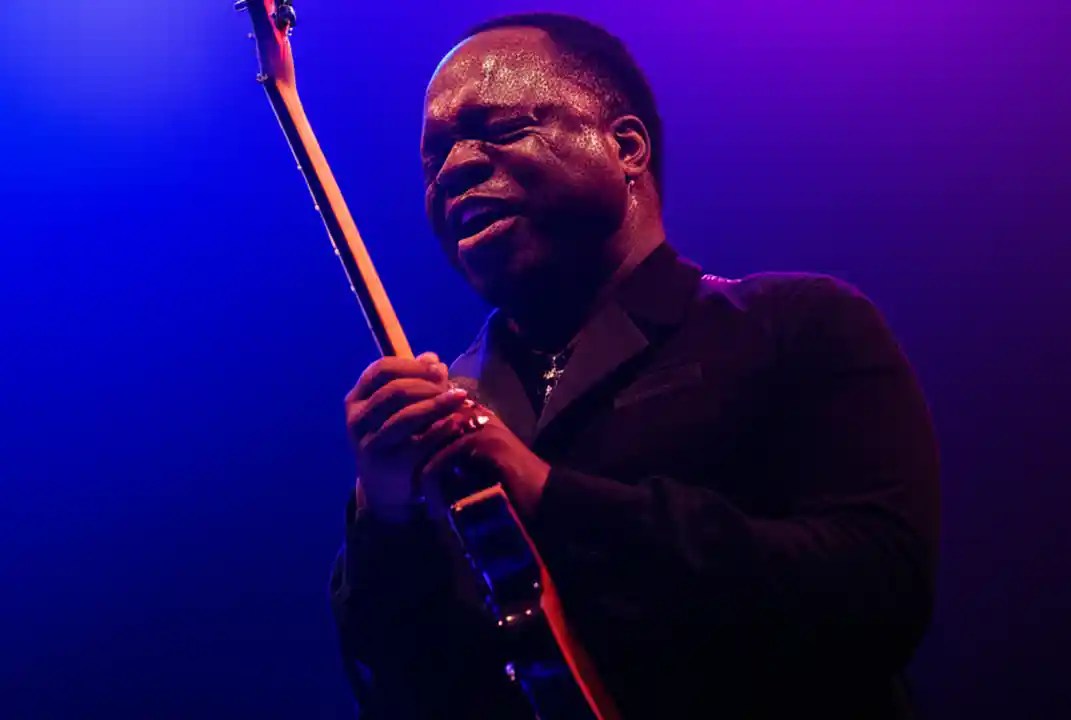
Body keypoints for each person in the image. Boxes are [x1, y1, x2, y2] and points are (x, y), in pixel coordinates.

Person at [328, 12, 940, 719]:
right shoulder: (441, 413)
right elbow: (398, 694)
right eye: (435, 159)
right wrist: (385, 519)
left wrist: (553, 498)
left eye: (499, 131)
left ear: (624, 146)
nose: (456, 167)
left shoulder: (797, 324)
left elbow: (879, 593)